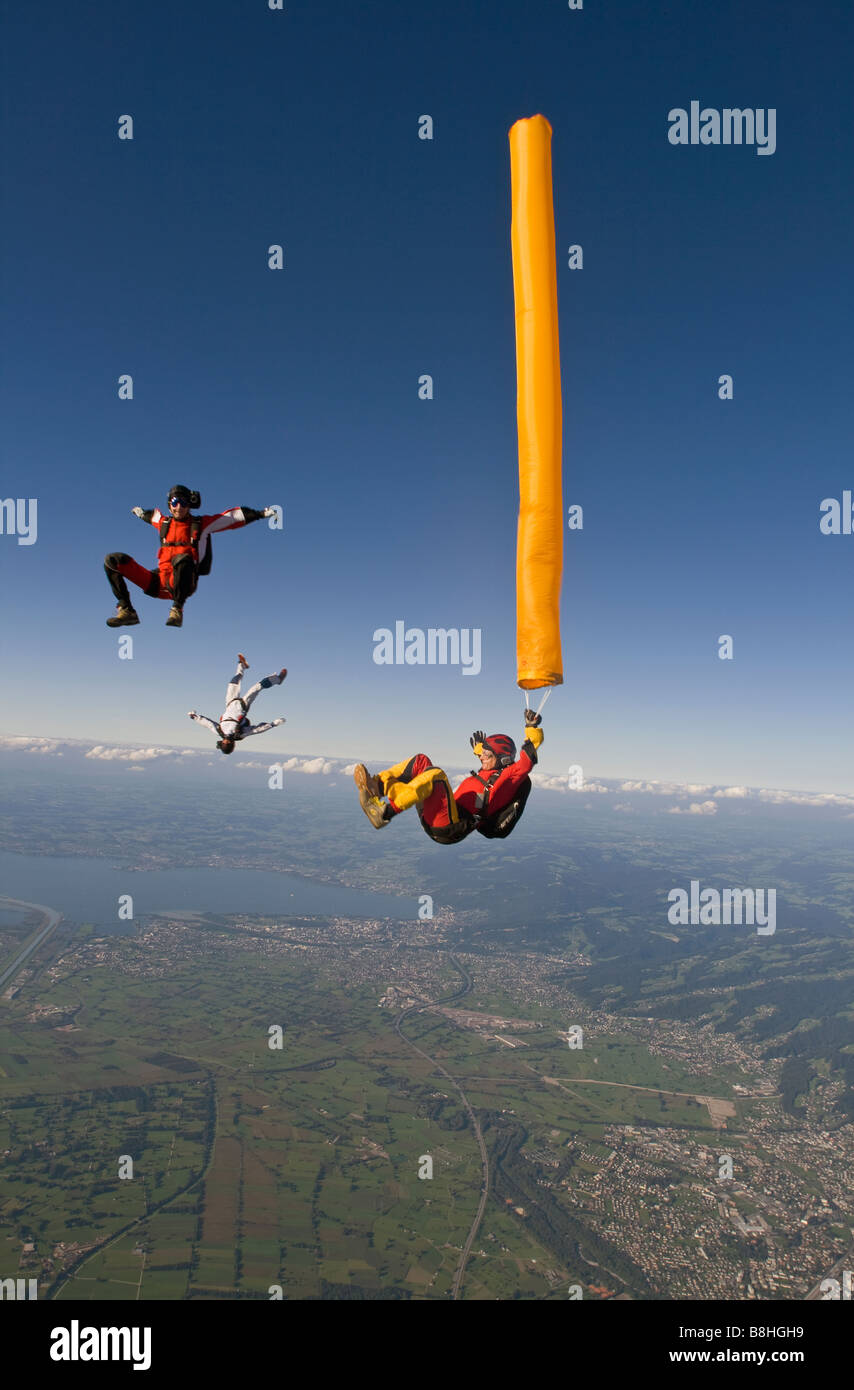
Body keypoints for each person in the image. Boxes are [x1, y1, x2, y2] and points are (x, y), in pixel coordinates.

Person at [354, 710, 543, 842]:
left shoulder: (509, 776)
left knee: (436, 775)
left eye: (487, 754)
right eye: (482, 752)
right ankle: (376, 787)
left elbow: (527, 760)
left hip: (451, 826)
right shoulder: (489, 769)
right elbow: (485, 758)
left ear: (502, 759)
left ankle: (385, 813)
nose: (482, 756)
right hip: (443, 812)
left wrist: (531, 727)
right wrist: (482, 748)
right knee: (421, 761)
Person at [104, 485, 277, 628]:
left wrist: (261, 514)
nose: (179, 507)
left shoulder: (200, 524)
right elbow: (151, 516)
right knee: (112, 560)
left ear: (190, 506)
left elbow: (232, 518)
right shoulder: (164, 523)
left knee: (183, 558)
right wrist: (140, 512)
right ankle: (127, 611)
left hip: (182, 583)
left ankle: (177, 609)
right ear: (170, 505)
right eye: (175, 502)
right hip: (158, 582)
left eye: (184, 503)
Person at [188, 654, 287, 754]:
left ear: (222, 742)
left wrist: (194, 717)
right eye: (229, 744)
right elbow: (257, 730)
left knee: (234, 681)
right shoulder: (239, 734)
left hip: (230, 703)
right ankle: (278, 680)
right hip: (243, 706)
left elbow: (207, 723)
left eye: (224, 743)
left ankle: (242, 665)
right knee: (257, 687)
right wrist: (273, 724)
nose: (227, 741)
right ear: (232, 744)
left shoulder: (219, 731)